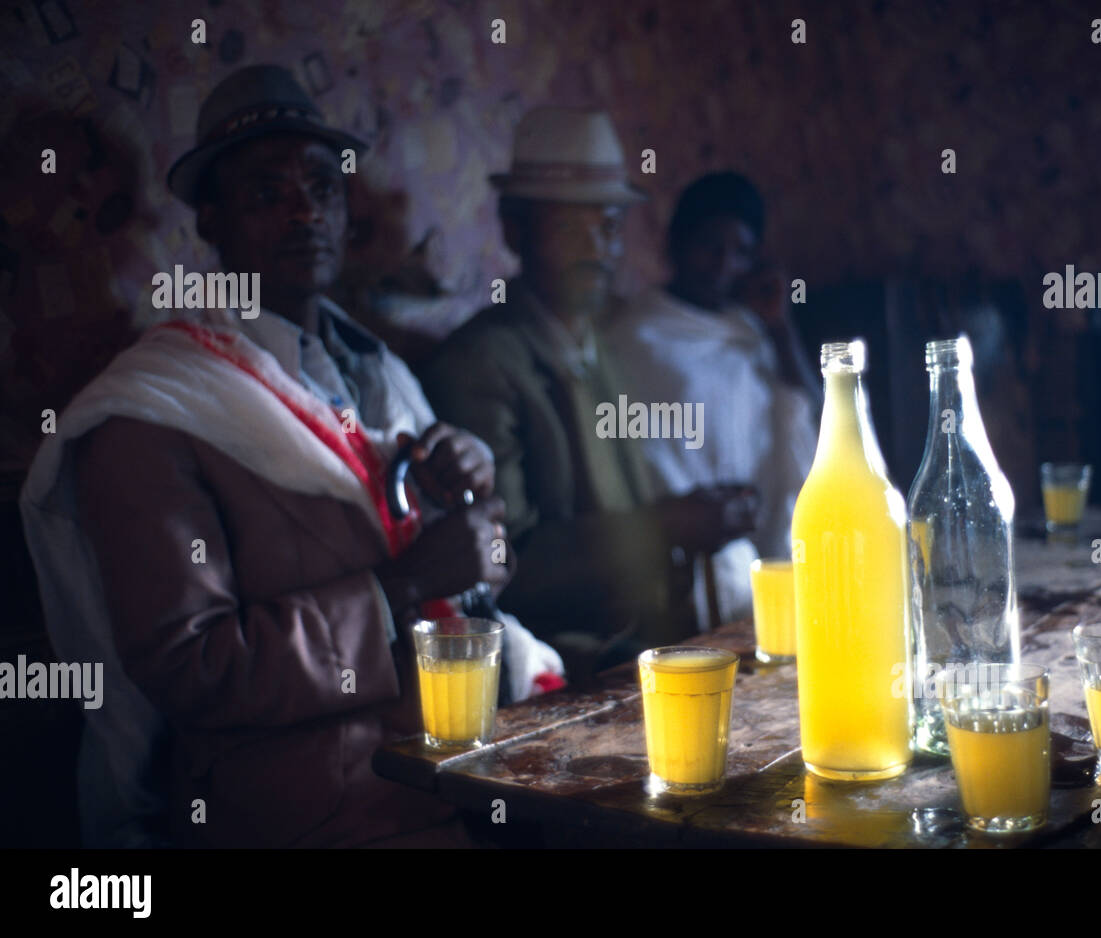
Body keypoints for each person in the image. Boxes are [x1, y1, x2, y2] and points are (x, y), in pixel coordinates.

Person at [20, 65, 558, 848]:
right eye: (267, 193)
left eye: (322, 186)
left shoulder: (379, 371)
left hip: (463, 762)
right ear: (210, 221)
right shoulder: (153, 411)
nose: (307, 210)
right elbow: (193, 666)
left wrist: (475, 502)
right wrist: (402, 585)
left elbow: (479, 577)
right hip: (322, 807)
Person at [420, 109, 758, 679]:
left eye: (608, 225)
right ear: (514, 229)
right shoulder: (479, 363)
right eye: (569, 226)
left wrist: (702, 515)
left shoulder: (597, 348)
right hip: (559, 665)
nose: (597, 246)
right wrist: (665, 524)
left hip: (643, 641)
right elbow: (507, 566)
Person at [601, 172, 819, 623]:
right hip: (693, 557)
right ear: (676, 244)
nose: (722, 264)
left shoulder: (751, 329)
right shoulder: (636, 337)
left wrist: (779, 326)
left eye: (740, 252)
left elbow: (813, 411)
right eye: (709, 245)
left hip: (771, 536)